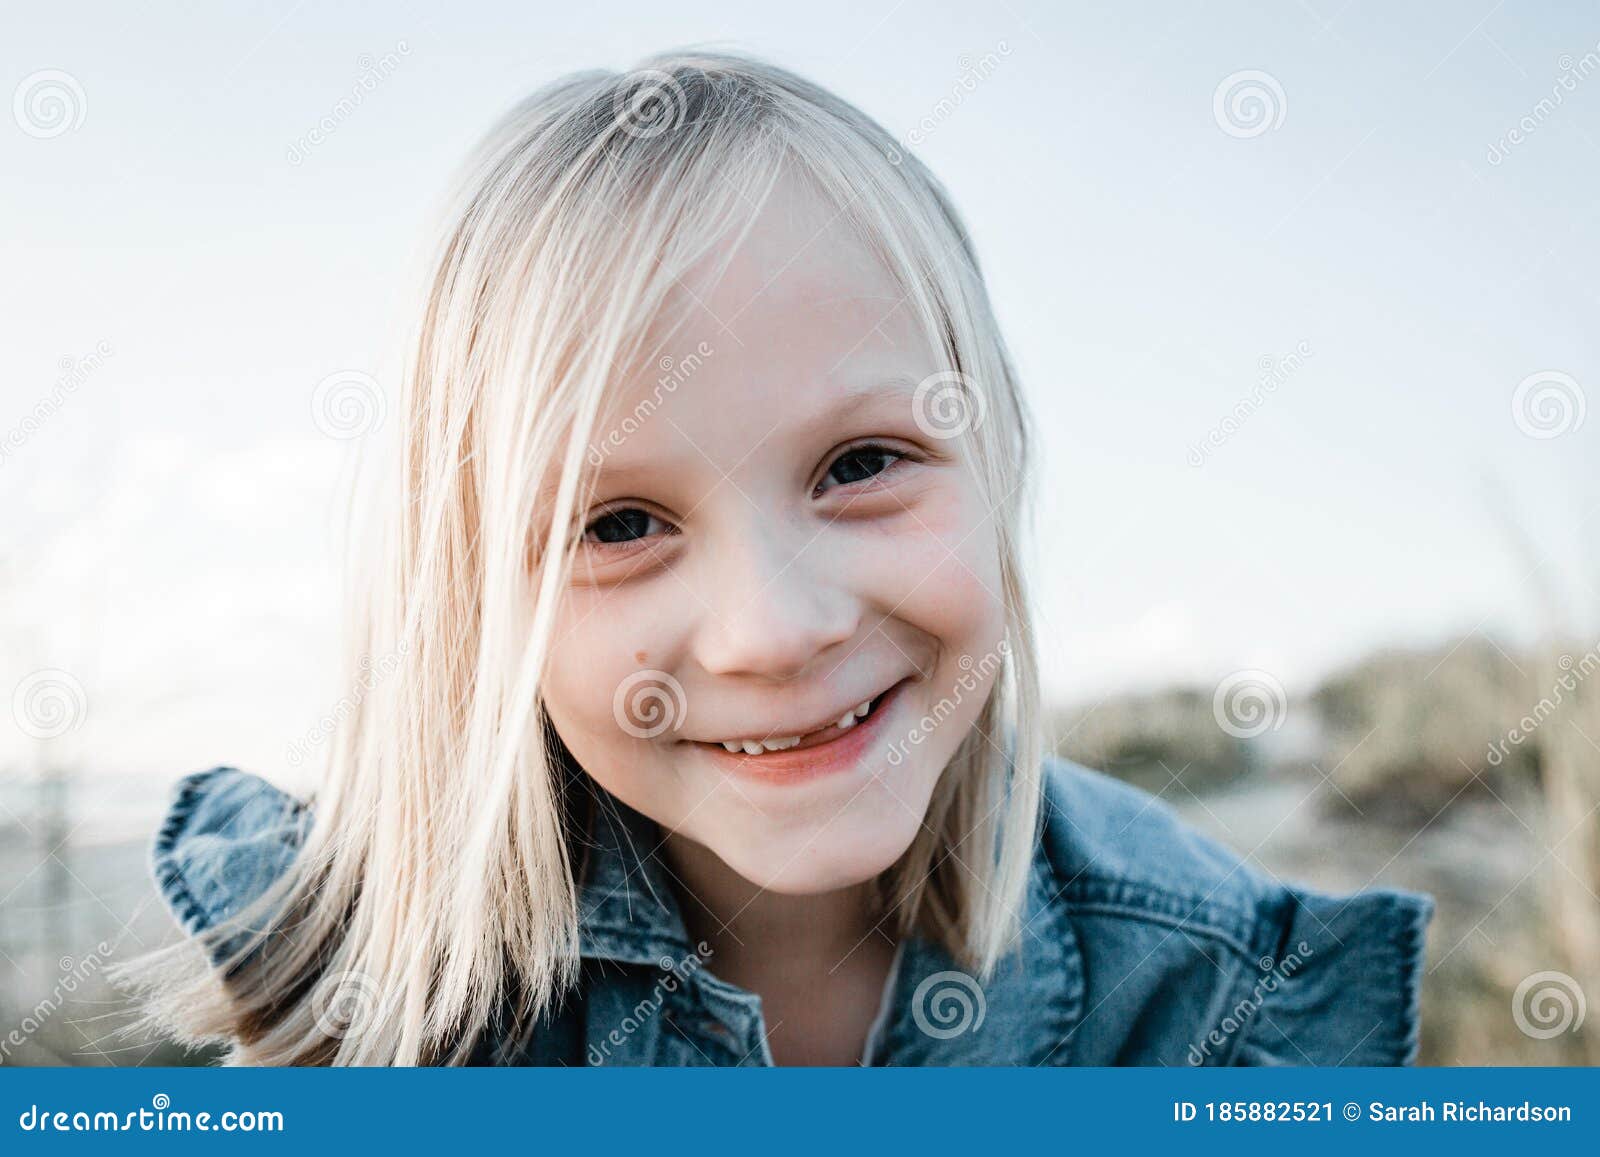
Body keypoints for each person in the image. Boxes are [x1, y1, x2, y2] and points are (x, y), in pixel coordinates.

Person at [112, 50, 1431, 1067]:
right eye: (618, 523)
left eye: (860, 464)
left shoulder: (1195, 993)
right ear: (472, 597)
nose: (771, 628)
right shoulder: (385, 981)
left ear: (999, 460)